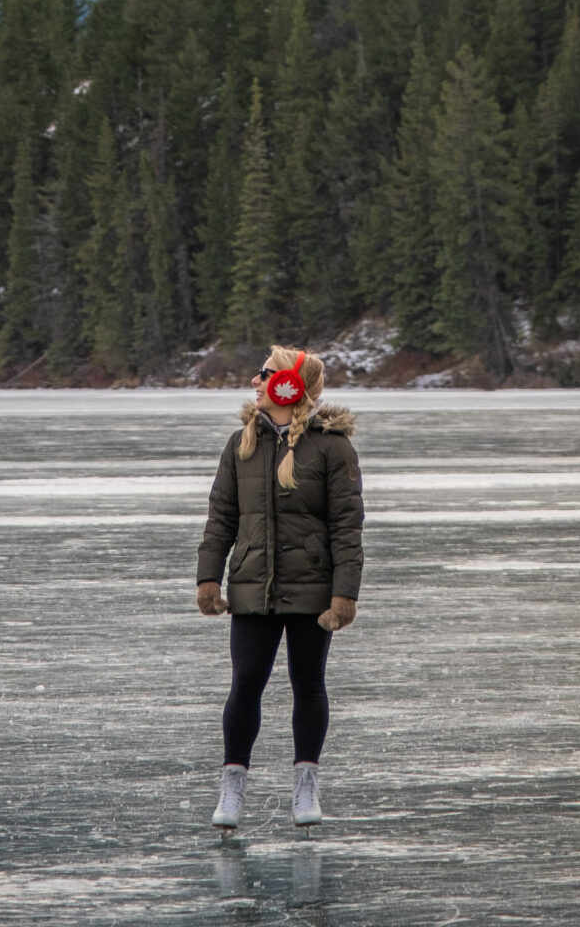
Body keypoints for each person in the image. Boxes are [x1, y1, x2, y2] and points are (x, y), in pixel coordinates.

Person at [196, 345, 364, 832]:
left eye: (265, 374)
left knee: (308, 683)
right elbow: (221, 518)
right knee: (246, 682)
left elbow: (347, 528)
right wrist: (209, 577)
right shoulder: (240, 444)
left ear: (287, 385)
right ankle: (232, 786)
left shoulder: (333, 448)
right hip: (253, 588)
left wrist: (345, 593)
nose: (254, 380)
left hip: (313, 590)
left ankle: (306, 781)